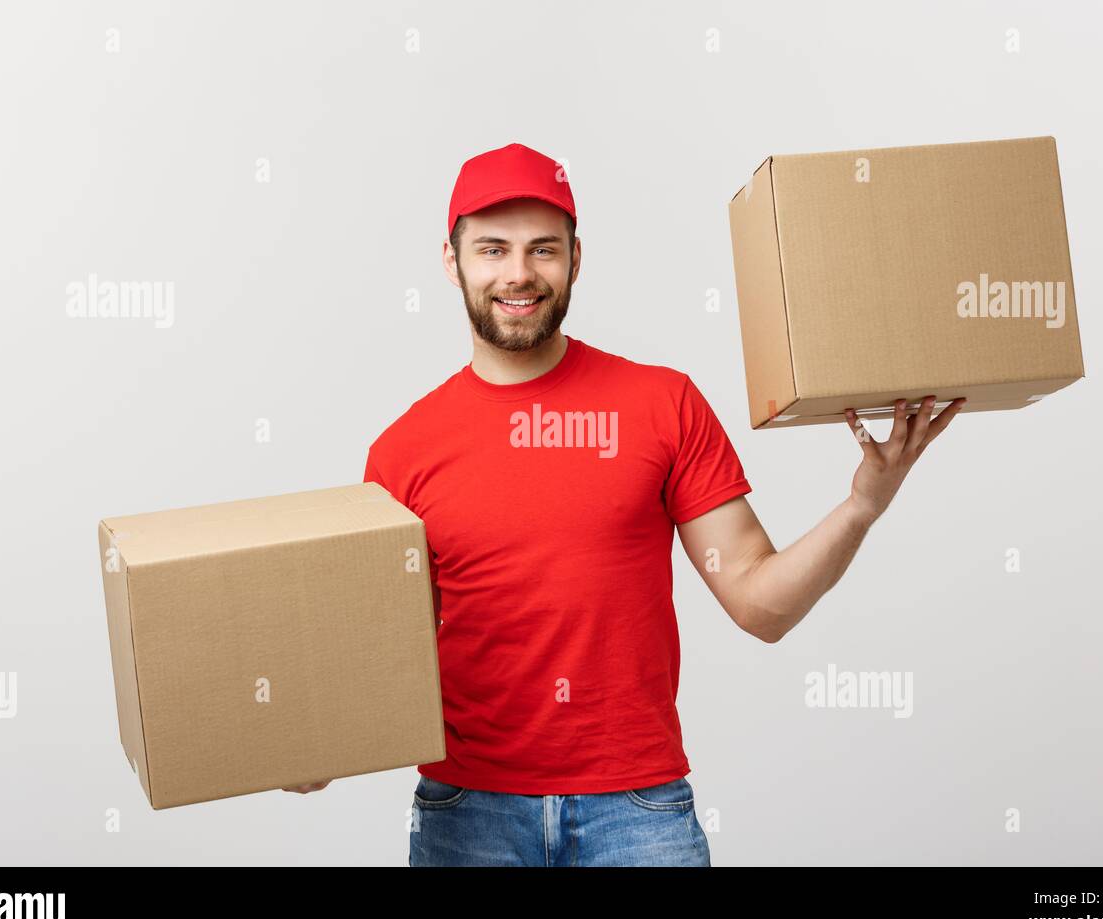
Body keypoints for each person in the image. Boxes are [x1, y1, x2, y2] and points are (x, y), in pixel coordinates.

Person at [284, 143, 965, 866]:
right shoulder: (403, 452)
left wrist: (863, 504)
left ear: (576, 259)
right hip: (467, 816)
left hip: (637, 815)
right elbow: (380, 663)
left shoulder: (660, 405)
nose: (518, 273)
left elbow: (761, 606)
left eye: (543, 250)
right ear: (453, 264)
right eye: (493, 249)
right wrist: (316, 749)